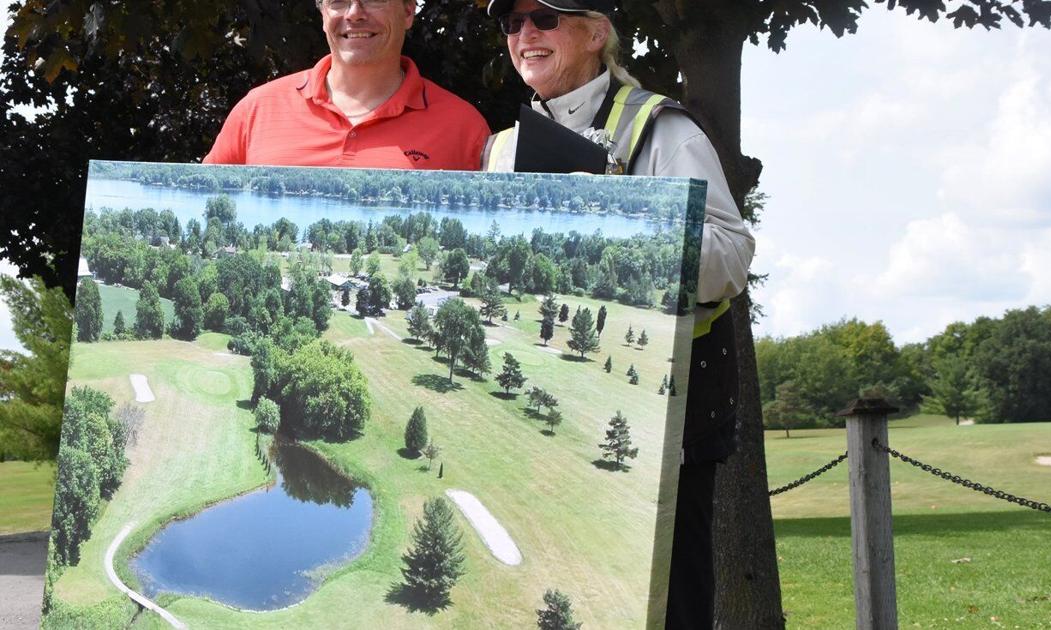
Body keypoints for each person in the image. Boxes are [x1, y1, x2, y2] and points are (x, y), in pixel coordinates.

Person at [481, 1, 755, 627]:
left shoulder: (662, 129)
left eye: (544, 19)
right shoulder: (498, 150)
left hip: (660, 420)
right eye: (513, 23)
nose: (525, 35)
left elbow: (732, 256)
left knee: (665, 610)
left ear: (595, 31)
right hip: (545, 413)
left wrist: (618, 224)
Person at [204, 0, 489, 169]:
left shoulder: (463, 128)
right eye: (338, 0)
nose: (354, 13)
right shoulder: (257, 111)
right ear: (323, 14)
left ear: (408, 12)